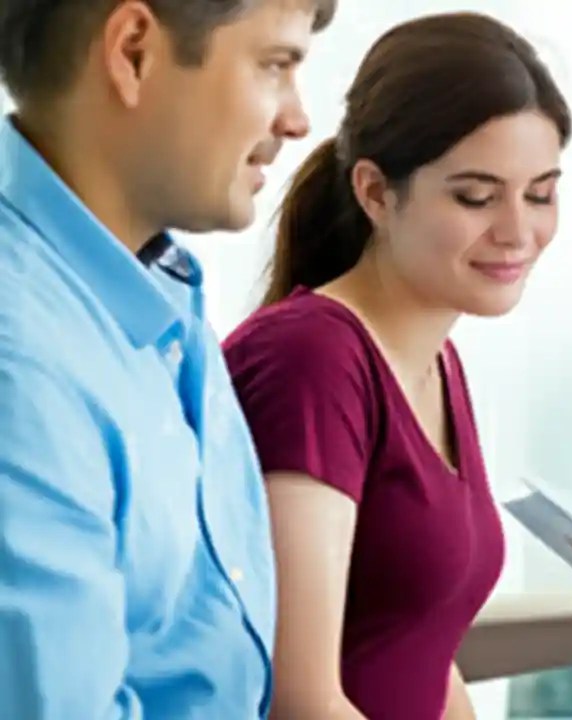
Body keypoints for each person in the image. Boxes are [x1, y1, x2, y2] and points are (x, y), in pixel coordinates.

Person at [221, 12, 571, 720]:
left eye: (540, 193)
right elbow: (302, 700)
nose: (517, 231)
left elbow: (423, 654)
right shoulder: (311, 360)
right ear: (377, 192)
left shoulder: (437, 359)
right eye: (475, 196)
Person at [0, 1, 331, 718]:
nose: (297, 121)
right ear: (134, 53)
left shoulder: (156, 295)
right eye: (275, 66)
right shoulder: (21, 365)